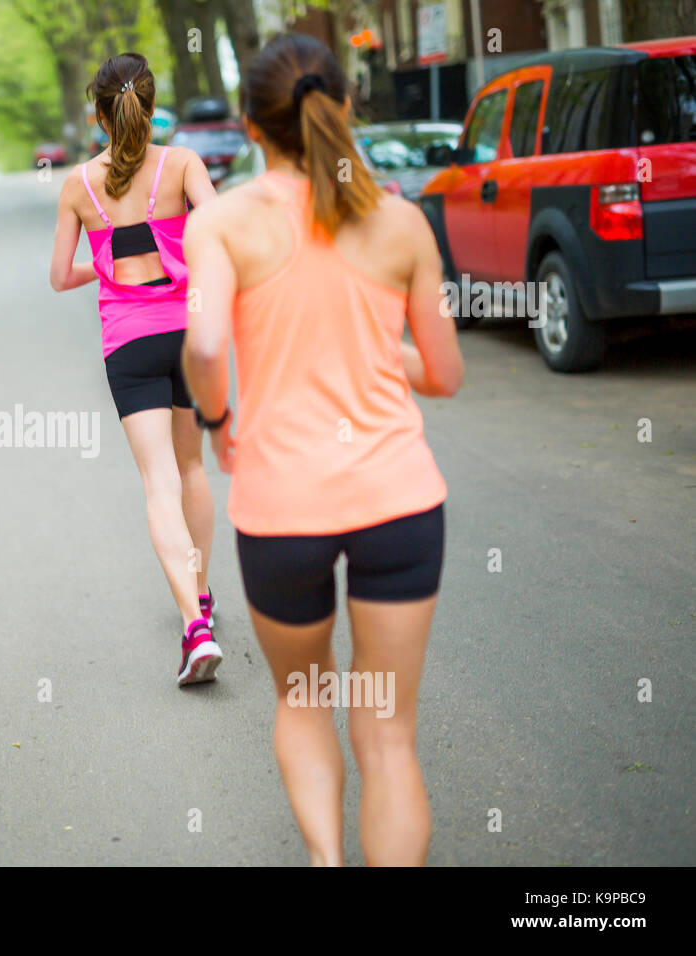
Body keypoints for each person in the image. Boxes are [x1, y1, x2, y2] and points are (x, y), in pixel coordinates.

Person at [182, 33, 464, 864]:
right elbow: (444, 373)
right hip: (399, 504)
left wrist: (218, 421)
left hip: (282, 510)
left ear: (249, 126)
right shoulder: (401, 222)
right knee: (388, 734)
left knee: (303, 702)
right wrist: (375, 348)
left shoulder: (222, 223)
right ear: (343, 106)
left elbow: (204, 346)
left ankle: (326, 861)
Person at [49, 53, 223, 686]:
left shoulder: (79, 185)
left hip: (130, 343)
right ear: (151, 107)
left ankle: (195, 629)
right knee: (193, 467)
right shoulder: (182, 164)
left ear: (99, 116)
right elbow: (220, 233)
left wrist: (108, 264)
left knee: (158, 483)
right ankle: (200, 593)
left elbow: (59, 276)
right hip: (190, 334)